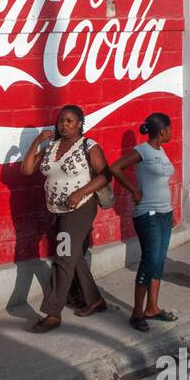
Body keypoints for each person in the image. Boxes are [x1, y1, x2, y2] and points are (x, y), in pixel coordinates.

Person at [21, 105, 111, 332]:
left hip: (80, 207)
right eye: (61, 121)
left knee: (63, 256)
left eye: (70, 121)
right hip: (57, 209)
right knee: (73, 255)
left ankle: (53, 313)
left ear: (80, 122)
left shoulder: (89, 146)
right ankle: (94, 300)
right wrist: (37, 141)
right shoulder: (51, 147)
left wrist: (80, 193)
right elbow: (27, 169)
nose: (65, 125)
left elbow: (105, 175)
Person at [109, 112, 176, 331]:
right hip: (148, 215)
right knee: (149, 261)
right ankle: (137, 312)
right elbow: (115, 167)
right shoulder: (142, 150)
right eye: (169, 129)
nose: (171, 132)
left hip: (164, 214)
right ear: (163, 130)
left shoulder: (160, 150)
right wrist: (133, 190)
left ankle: (153, 307)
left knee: (159, 262)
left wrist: (170, 210)